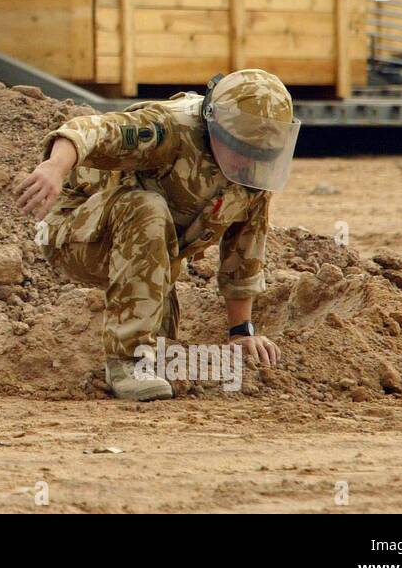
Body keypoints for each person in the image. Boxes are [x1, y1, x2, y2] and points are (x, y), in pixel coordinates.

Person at [16, 69, 300, 401]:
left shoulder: (255, 166)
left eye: (258, 154)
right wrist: (55, 167)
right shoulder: (169, 129)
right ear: (215, 126)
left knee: (165, 353)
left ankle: (146, 355)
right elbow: (91, 130)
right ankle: (127, 362)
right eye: (240, 148)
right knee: (146, 206)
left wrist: (240, 332)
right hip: (79, 232)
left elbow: (244, 251)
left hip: (153, 252)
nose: (247, 161)